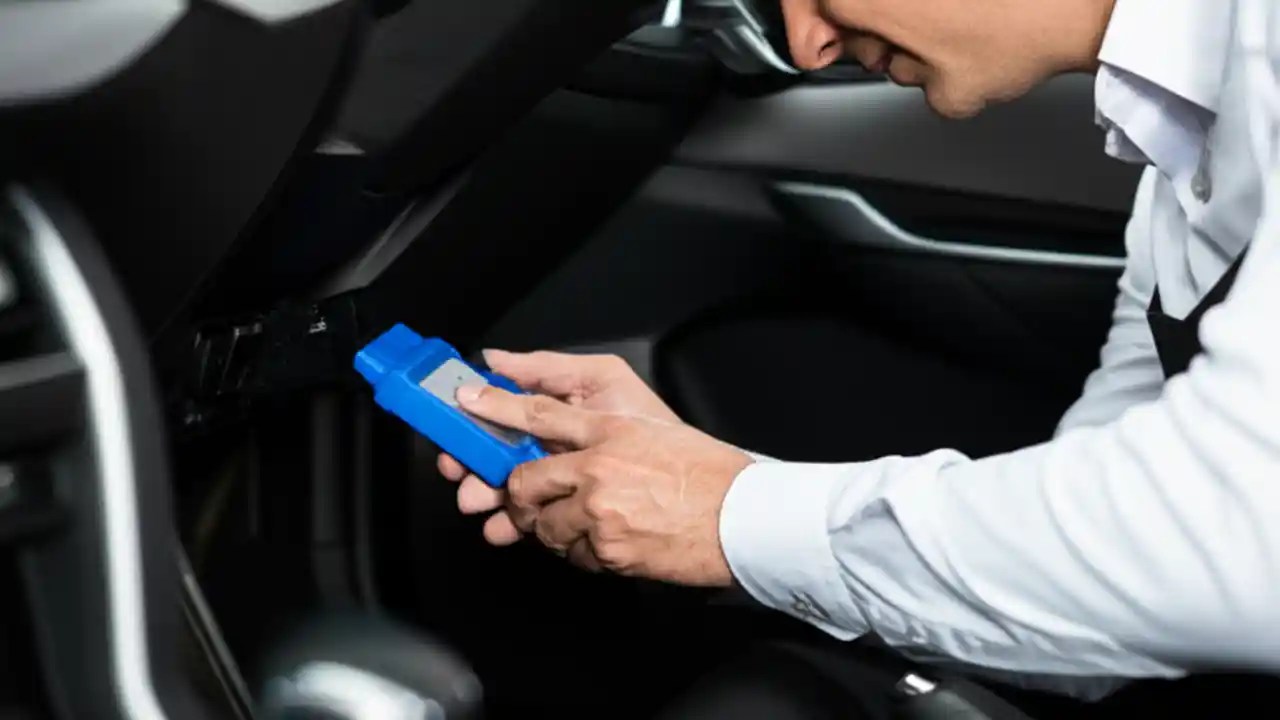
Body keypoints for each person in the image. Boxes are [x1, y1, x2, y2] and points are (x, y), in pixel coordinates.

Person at [437, 0, 1280, 716]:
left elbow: (1228, 538)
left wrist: (725, 516)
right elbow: (1095, 610)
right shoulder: (1180, 150)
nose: (808, 46)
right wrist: (697, 498)